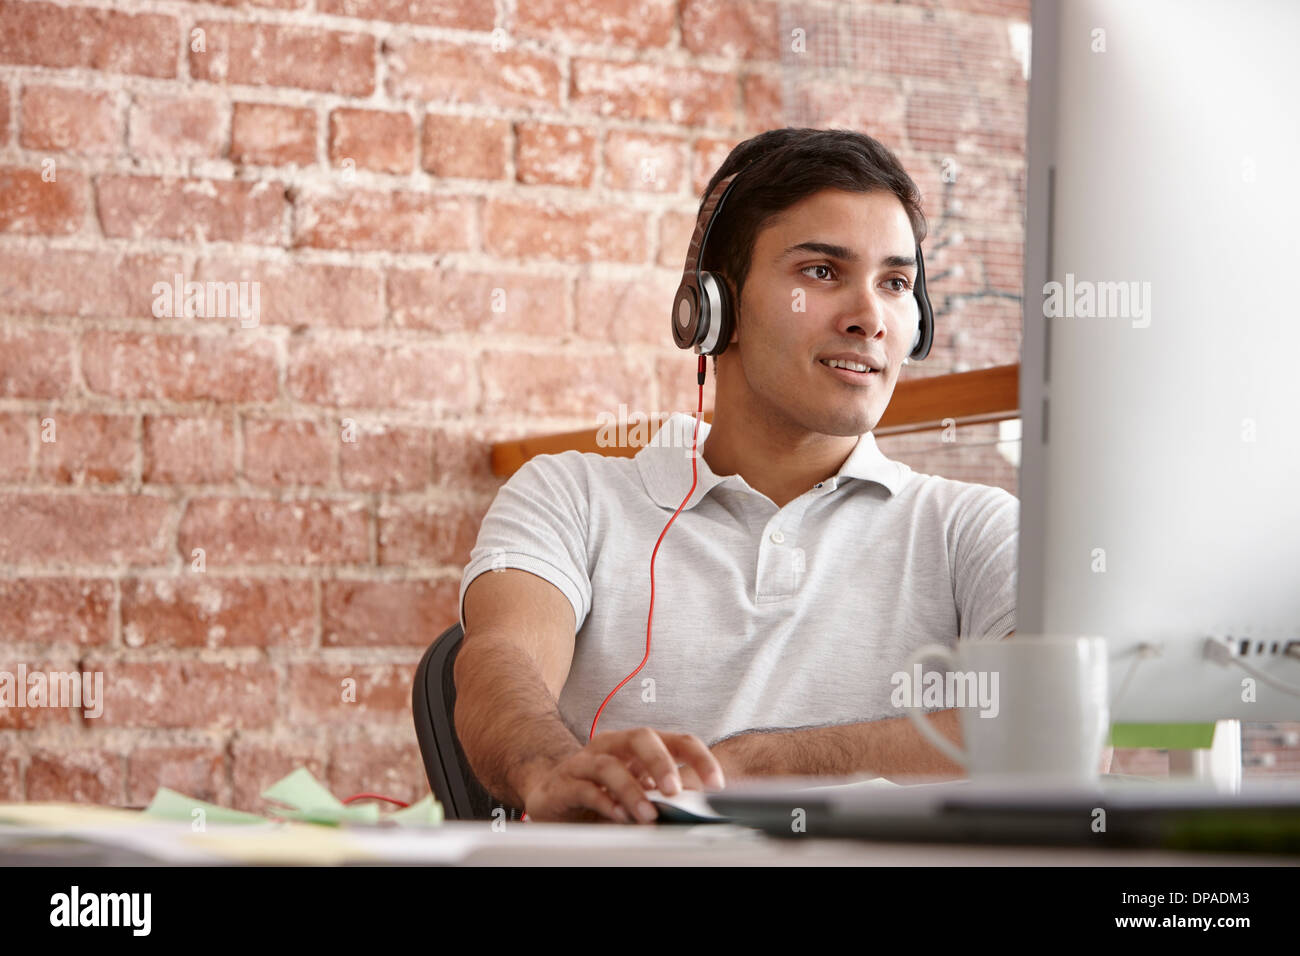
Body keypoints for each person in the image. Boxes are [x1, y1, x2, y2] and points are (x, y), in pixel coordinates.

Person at [454, 128, 1041, 825]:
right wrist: (550, 768)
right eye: (821, 271)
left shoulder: (975, 529)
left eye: (895, 282)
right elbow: (499, 664)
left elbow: (1047, 730)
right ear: (712, 308)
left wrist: (763, 763)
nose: (869, 319)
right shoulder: (570, 495)